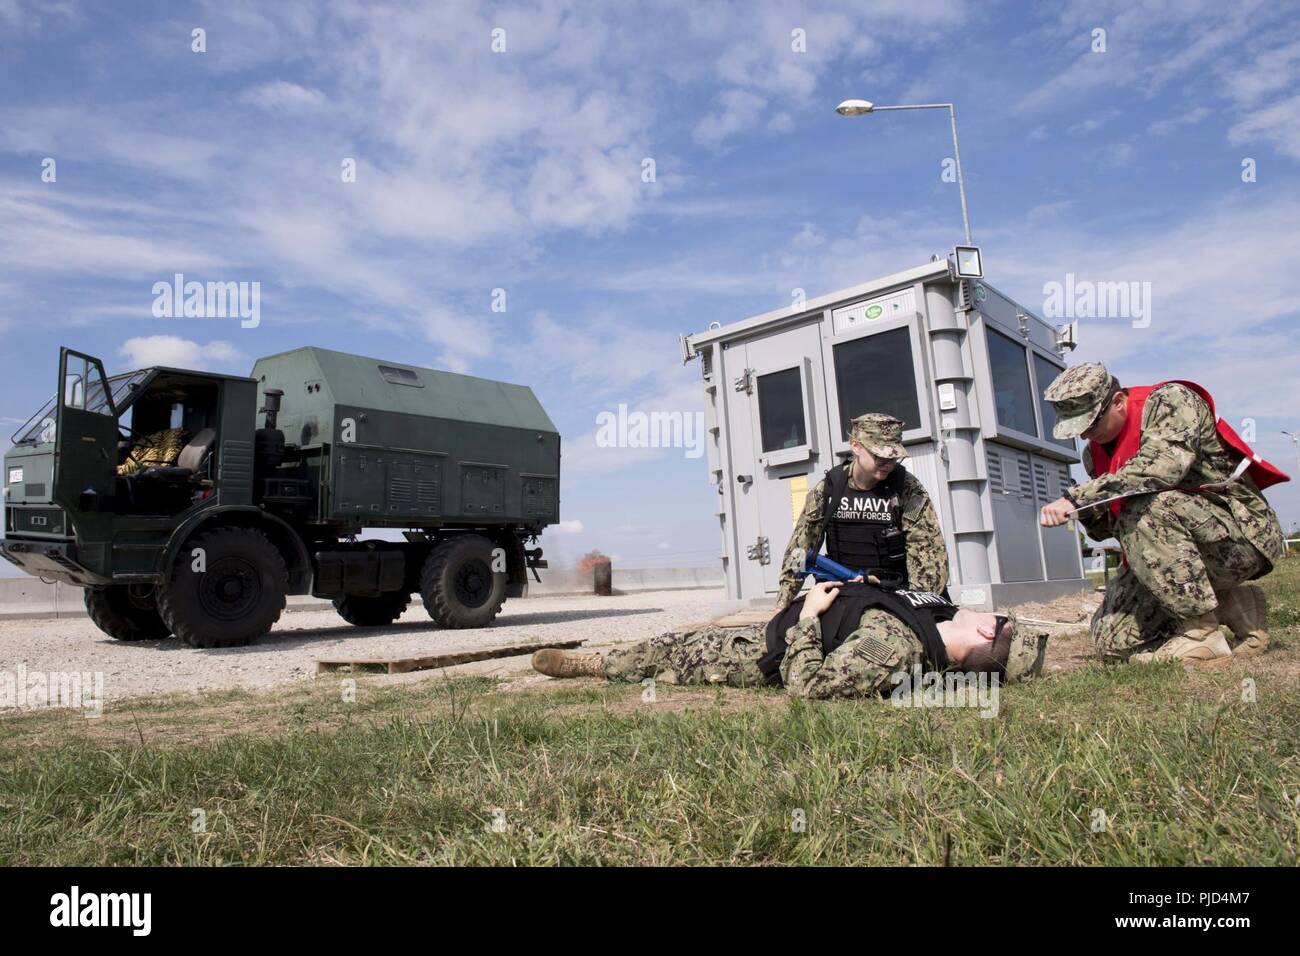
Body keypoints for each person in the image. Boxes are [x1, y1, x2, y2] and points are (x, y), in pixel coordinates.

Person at [1039, 362, 1286, 663]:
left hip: (1241, 538)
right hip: (1177, 548)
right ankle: (1231, 604)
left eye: (1090, 424)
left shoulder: (1172, 401)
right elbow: (1113, 526)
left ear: (1117, 401)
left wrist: (1077, 498)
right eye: (1078, 430)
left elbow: (1160, 471)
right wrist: (1089, 514)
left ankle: (1201, 634)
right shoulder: (1095, 455)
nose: (1085, 435)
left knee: (1145, 507)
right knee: (1112, 640)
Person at [531, 581, 1046, 699]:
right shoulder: (932, 618)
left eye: (997, 616)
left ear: (985, 630)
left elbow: (809, 686)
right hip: (781, 629)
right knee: (677, 642)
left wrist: (812, 616)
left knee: (670, 655)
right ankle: (604, 660)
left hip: (766, 657)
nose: (987, 611)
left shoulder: (894, 651)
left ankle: (595, 664)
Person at [774, 413, 948, 610]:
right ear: (856, 446)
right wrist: (782, 604)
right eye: (879, 456)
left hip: (895, 595)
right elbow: (800, 549)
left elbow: (928, 557)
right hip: (843, 592)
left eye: (893, 457)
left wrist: (918, 611)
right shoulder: (830, 488)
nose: (888, 463)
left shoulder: (907, 489)